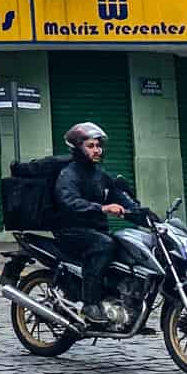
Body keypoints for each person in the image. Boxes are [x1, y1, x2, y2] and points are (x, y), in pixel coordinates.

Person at [54, 121, 138, 325]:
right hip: (71, 231)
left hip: (94, 230)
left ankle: (115, 296)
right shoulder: (69, 174)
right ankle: (90, 304)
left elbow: (119, 196)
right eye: (91, 146)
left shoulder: (100, 175)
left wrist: (144, 214)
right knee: (104, 245)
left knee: (126, 245)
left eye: (98, 146)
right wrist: (102, 208)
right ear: (78, 148)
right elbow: (69, 201)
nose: (97, 150)